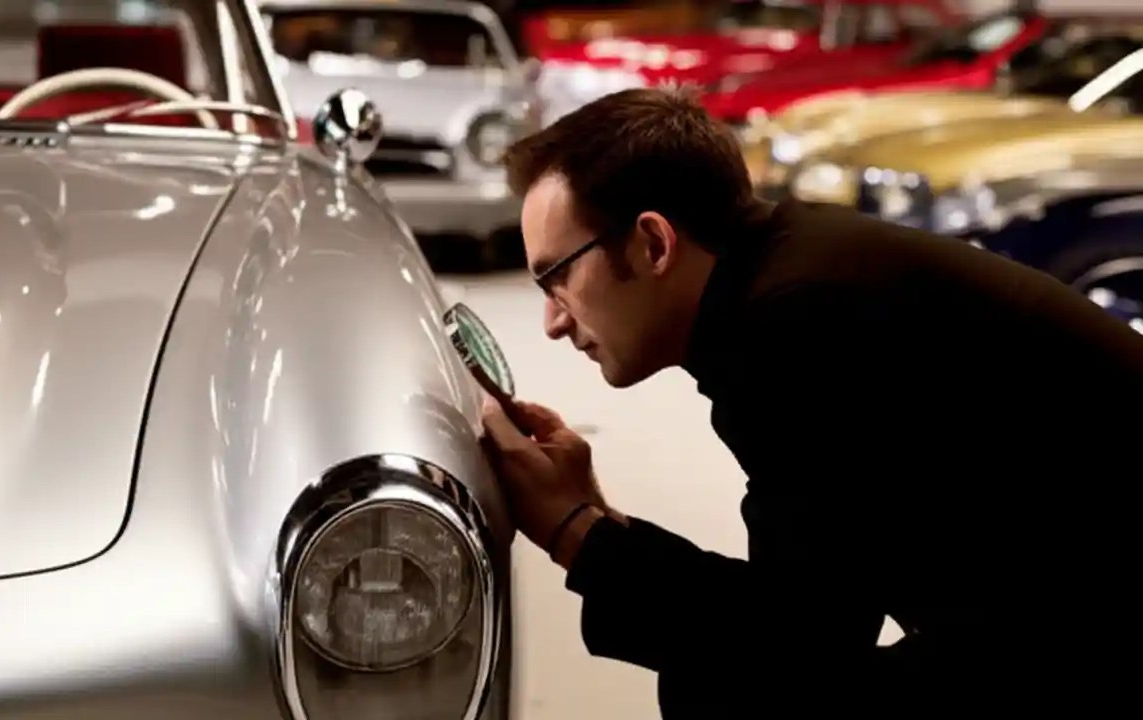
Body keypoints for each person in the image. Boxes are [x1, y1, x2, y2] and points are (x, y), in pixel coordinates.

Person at [477, 87, 1143, 716]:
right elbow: (805, 609)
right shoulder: (794, 275)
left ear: (653, 242)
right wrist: (596, 519)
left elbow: (798, 646)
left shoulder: (795, 325)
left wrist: (575, 532)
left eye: (557, 277)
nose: (553, 323)